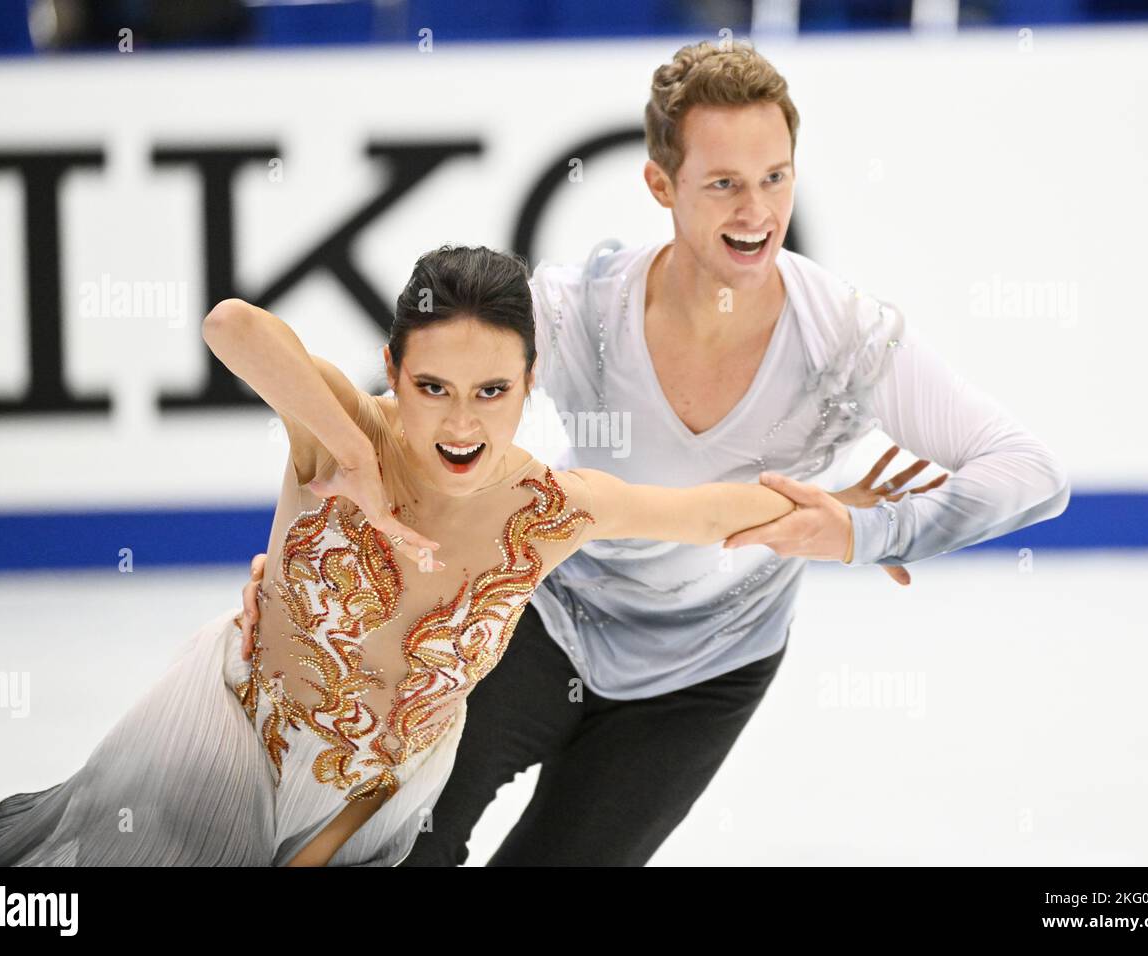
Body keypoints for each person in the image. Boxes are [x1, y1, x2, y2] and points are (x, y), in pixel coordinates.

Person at [233, 40, 1072, 866]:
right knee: (403, 849)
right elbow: (411, 408)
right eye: (724, 184)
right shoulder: (578, 307)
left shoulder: (844, 338)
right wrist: (306, 584)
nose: (757, 212)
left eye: (775, 178)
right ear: (659, 185)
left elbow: (1033, 473)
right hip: (542, 626)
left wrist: (864, 532)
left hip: (704, 675)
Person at [0, 243, 916, 868]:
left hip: (375, 805)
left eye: (491, 390)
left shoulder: (552, 506)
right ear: (394, 372)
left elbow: (707, 515)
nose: (459, 418)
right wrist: (357, 456)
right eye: (433, 385)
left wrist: (848, 514)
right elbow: (231, 324)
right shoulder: (335, 437)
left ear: (530, 383)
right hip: (226, 741)